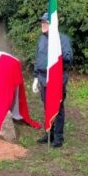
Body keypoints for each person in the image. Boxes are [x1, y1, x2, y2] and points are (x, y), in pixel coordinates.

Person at [32, 12, 73, 148]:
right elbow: (38, 59)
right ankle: (49, 132)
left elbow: (68, 59)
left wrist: (57, 53)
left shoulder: (62, 39)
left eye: (46, 22)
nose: (43, 25)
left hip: (57, 79)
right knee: (47, 107)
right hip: (43, 79)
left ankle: (58, 137)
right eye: (42, 22)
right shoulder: (41, 39)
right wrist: (36, 77)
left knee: (58, 107)